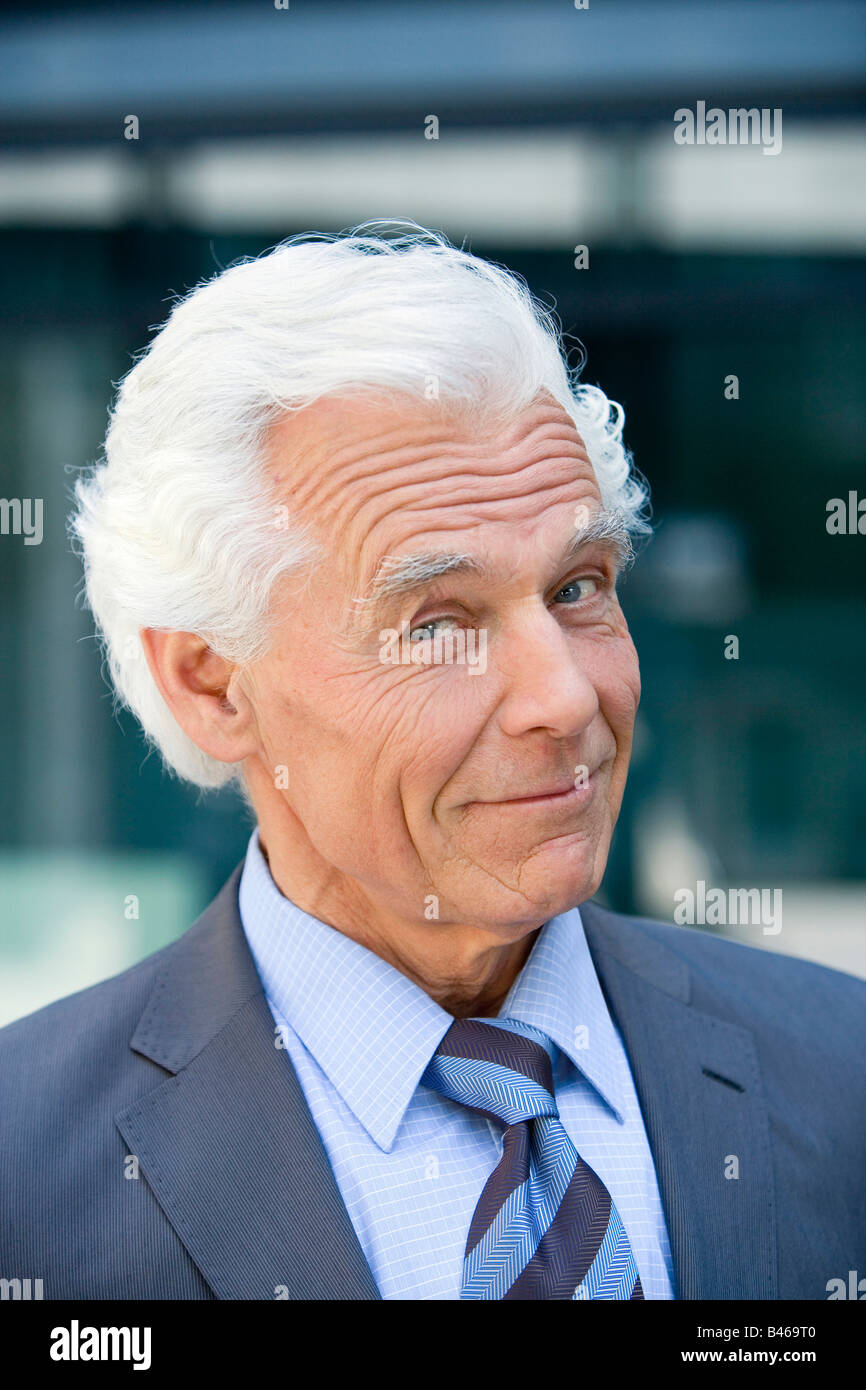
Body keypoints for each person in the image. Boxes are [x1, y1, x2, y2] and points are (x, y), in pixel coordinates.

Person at [1, 222, 863, 1300]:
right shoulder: (23, 1179)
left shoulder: (841, 1073)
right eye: (438, 622)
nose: (563, 696)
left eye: (576, 587)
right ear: (214, 685)